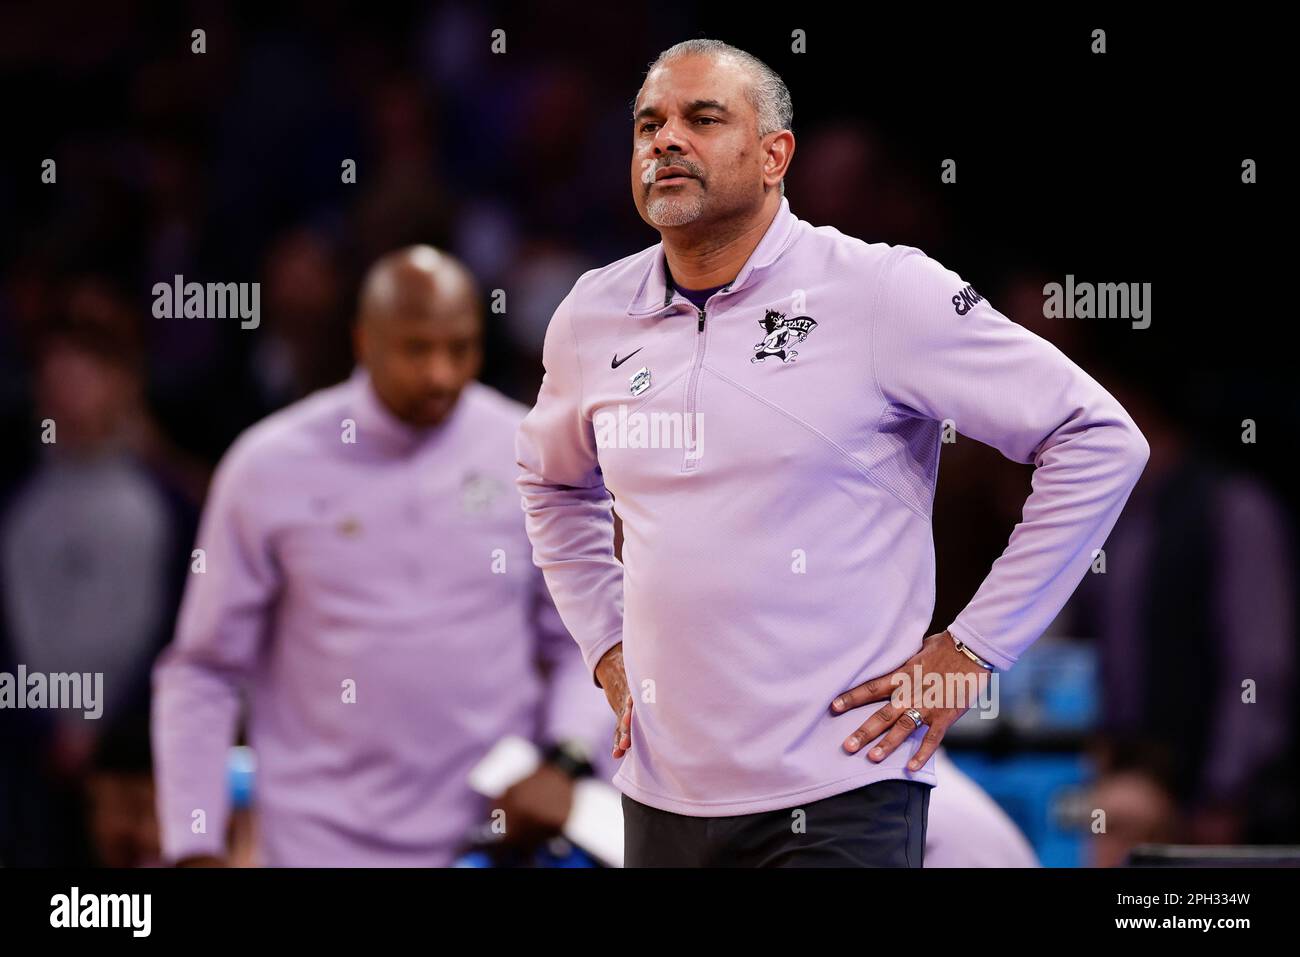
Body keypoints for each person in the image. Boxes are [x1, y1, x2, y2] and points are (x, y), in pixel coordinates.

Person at [516, 39, 1149, 867]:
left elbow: (1099, 437)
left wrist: (974, 648)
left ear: (776, 154)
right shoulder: (591, 316)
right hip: (661, 789)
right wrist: (603, 643)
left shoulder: (882, 291)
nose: (665, 140)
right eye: (648, 124)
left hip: (843, 787)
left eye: (703, 118)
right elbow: (550, 482)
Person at [152, 246, 610, 866]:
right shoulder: (268, 467)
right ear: (364, 341)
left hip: (492, 841)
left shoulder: (532, 455)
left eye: (461, 348)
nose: (441, 375)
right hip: (317, 844)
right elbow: (203, 670)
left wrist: (566, 758)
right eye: (417, 349)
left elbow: (590, 637)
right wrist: (193, 845)